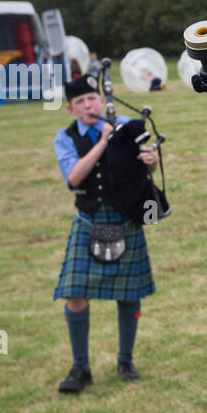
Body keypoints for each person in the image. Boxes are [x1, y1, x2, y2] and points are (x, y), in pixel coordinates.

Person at [52, 74, 158, 392]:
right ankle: (80, 368)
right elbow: (73, 177)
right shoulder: (66, 137)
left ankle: (125, 361)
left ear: (101, 99)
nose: (88, 105)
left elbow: (146, 164)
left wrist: (151, 160)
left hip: (125, 219)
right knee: (74, 294)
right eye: (80, 102)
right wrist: (102, 142)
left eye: (92, 98)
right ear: (71, 108)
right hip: (89, 221)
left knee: (129, 294)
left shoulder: (125, 124)